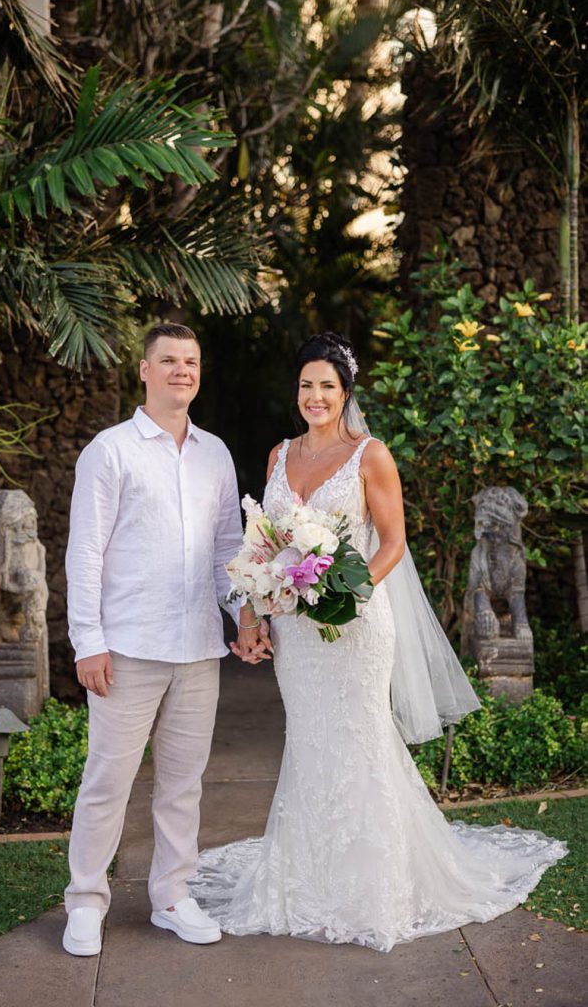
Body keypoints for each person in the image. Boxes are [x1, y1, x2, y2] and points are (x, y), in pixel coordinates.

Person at [190, 331, 568, 952]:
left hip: (356, 622)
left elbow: (392, 542)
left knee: (360, 738)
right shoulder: (279, 455)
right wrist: (254, 614)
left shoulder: (371, 455)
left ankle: (378, 887)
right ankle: (305, 879)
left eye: (327, 386)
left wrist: (346, 590)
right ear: (296, 391)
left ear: (345, 393)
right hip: (296, 631)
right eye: (306, 385)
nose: (315, 396)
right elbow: (263, 547)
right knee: (309, 739)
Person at [62, 323, 269, 956]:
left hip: (199, 649)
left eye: (192, 362)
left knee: (183, 784)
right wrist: (87, 641)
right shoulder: (110, 451)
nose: (183, 370)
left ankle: (173, 896)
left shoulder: (215, 453)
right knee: (108, 781)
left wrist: (244, 618)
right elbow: (85, 552)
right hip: (127, 648)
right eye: (170, 360)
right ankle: (85, 901)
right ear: (145, 370)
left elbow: (228, 548)